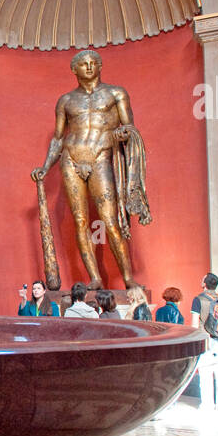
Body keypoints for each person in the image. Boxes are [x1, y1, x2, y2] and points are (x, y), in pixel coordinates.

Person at [30, 49, 151, 291]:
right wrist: (45, 166)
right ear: (73, 69)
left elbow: (130, 127)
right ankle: (94, 277)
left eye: (93, 62)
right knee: (80, 221)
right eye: (83, 63)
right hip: (71, 159)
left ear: (100, 66)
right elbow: (58, 138)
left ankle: (128, 278)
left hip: (100, 156)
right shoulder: (65, 100)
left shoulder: (115, 93)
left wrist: (124, 133)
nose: (88, 66)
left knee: (109, 219)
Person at [191, 272, 218, 413]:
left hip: (206, 340)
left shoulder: (198, 300)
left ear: (204, 283)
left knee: (206, 374)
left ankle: (207, 405)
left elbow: (195, 324)